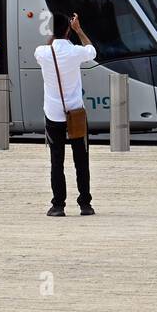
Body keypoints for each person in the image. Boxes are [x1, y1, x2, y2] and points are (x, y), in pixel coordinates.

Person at [35, 13, 95, 218]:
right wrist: (79, 30)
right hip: (76, 113)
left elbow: (48, 45)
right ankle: (85, 204)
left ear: (51, 31)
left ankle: (58, 205)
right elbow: (92, 51)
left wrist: (56, 36)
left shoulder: (42, 52)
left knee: (56, 161)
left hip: (53, 115)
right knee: (81, 160)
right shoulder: (75, 52)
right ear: (68, 29)